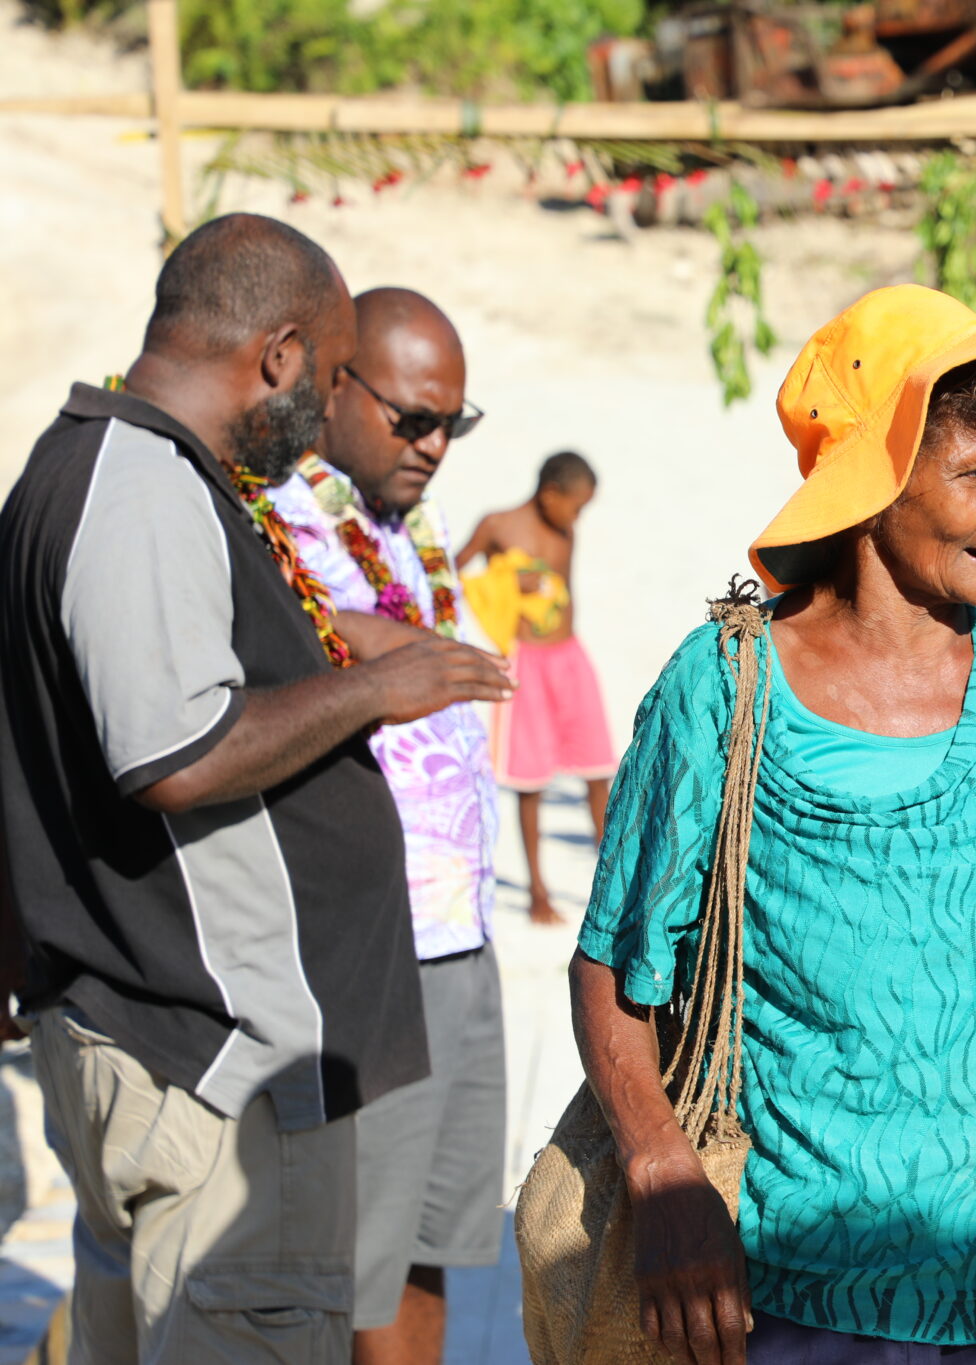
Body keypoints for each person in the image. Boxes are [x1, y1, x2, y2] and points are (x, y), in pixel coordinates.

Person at [569, 283, 976, 1364]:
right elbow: (613, 970)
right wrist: (660, 1170)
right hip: (799, 1297)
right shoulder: (723, 689)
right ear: (870, 493)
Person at [0, 214, 511, 1363]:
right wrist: (378, 691)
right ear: (278, 355)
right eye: (332, 374)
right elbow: (174, 754)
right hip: (209, 1071)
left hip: (162, 1050)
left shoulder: (99, 469)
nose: (326, 404)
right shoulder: (137, 484)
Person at [269, 287, 507, 1365]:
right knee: (348, 1263)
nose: (436, 445)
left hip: (459, 935)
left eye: (453, 422)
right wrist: (385, 653)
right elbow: (272, 639)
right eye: (413, 419)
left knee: (428, 1244)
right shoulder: (273, 507)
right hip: (368, 952)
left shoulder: (413, 520)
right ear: (336, 389)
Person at [458, 452, 613, 924]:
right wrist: (504, 581)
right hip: (526, 662)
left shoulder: (567, 529)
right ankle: (538, 893)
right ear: (549, 495)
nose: (579, 517)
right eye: (576, 506)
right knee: (531, 781)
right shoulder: (498, 526)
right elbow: (452, 571)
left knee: (597, 768)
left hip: (570, 656)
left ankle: (613, 883)